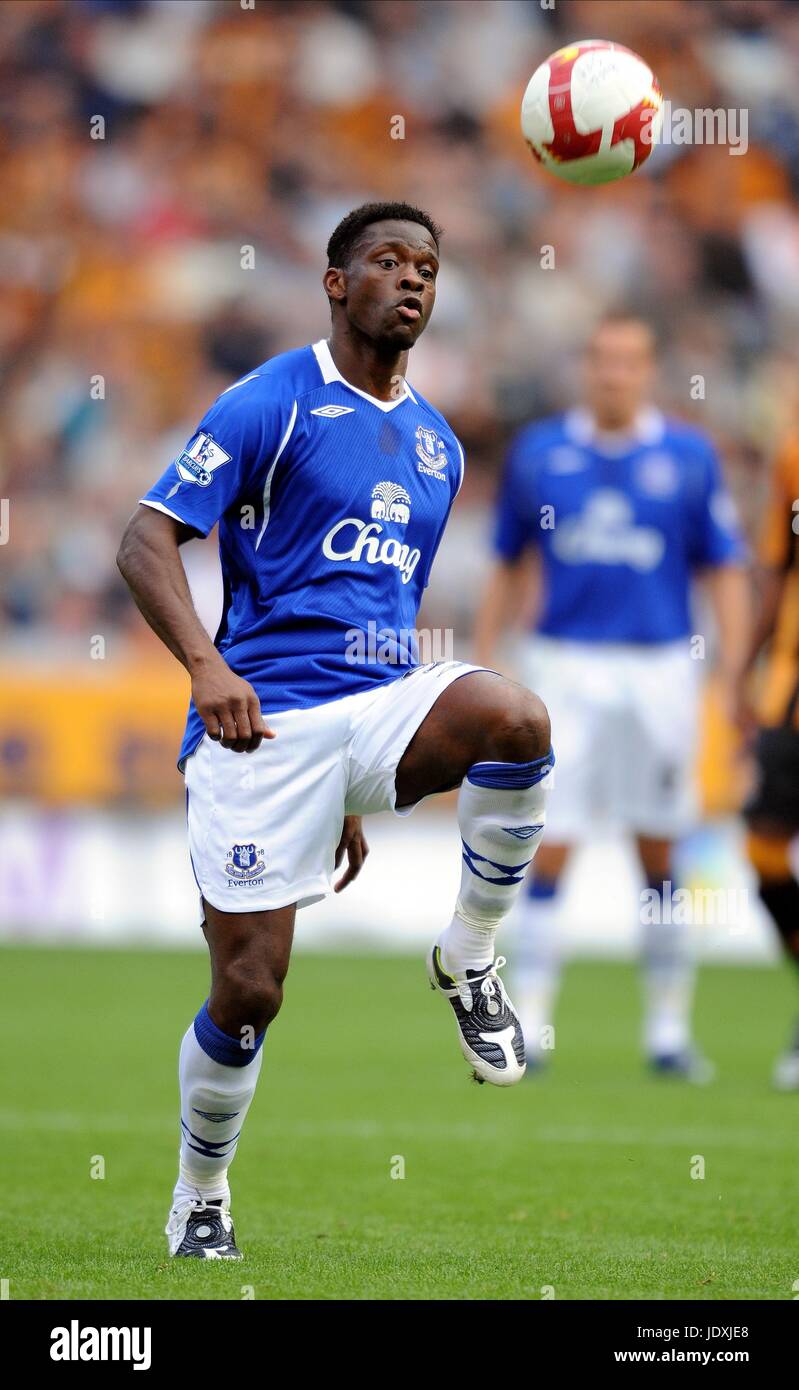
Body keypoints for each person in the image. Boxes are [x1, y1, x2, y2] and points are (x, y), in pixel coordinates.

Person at [117, 202, 554, 1260]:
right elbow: (144, 538)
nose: (412, 280)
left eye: (427, 268)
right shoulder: (272, 398)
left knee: (515, 716)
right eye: (388, 262)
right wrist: (207, 667)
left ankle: (469, 953)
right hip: (259, 724)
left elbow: (391, 621)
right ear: (335, 281)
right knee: (249, 990)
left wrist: (366, 781)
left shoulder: (439, 447)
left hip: (371, 705)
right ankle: (201, 1191)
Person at [473, 314, 748, 1079]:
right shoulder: (541, 453)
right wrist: (489, 654)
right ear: (584, 369)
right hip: (564, 664)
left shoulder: (688, 457)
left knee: (659, 848)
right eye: (600, 360)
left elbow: (721, 565)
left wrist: (726, 669)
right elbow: (506, 557)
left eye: (627, 361)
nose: (612, 374)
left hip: (660, 667)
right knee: (546, 842)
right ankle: (527, 1022)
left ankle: (666, 1030)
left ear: (649, 370)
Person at [739, 434, 799, 1088]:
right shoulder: (791, 453)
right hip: (790, 691)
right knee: (762, 853)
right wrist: (739, 673)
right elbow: (777, 570)